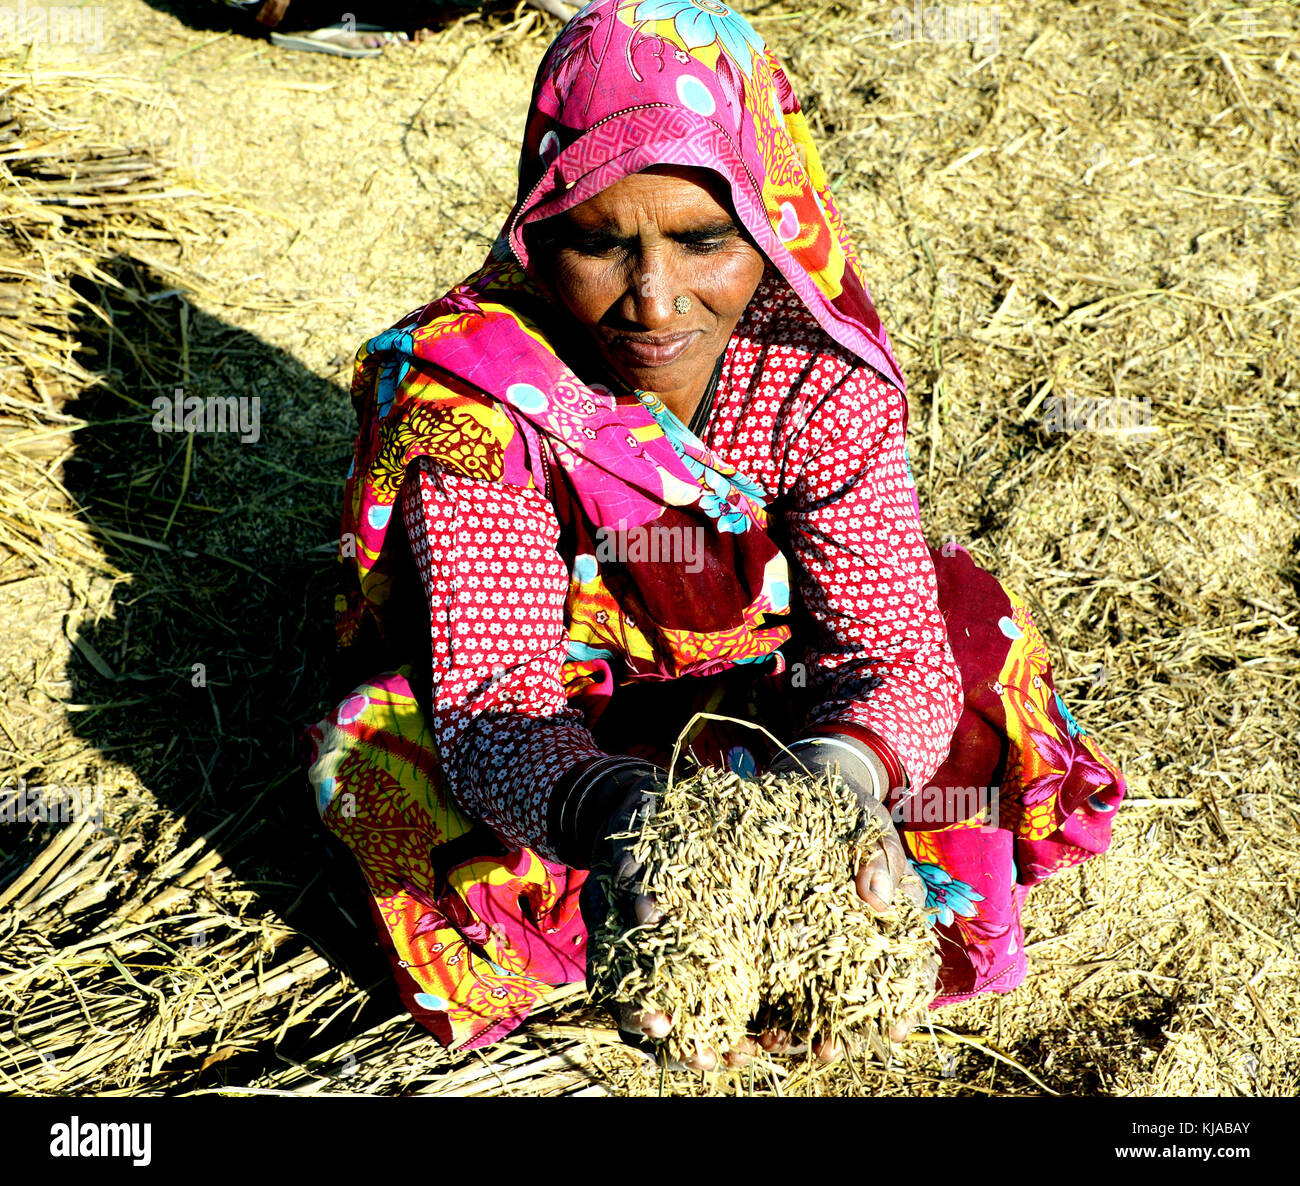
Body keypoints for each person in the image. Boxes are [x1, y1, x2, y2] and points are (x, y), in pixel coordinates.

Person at [305, 0, 1126, 1071]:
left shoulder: (813, 371)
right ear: (539, 228)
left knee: (965, 635)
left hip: (762, 675)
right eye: (598, 245)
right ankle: (582, 933)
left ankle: (855, 923)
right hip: (575, 708)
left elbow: (884, 650)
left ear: (770, 222)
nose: (652, 301)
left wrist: (837, 785)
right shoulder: (482, 393)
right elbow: (494, 699)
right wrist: (615, 813)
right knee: (374, 748)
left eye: (703, 241)